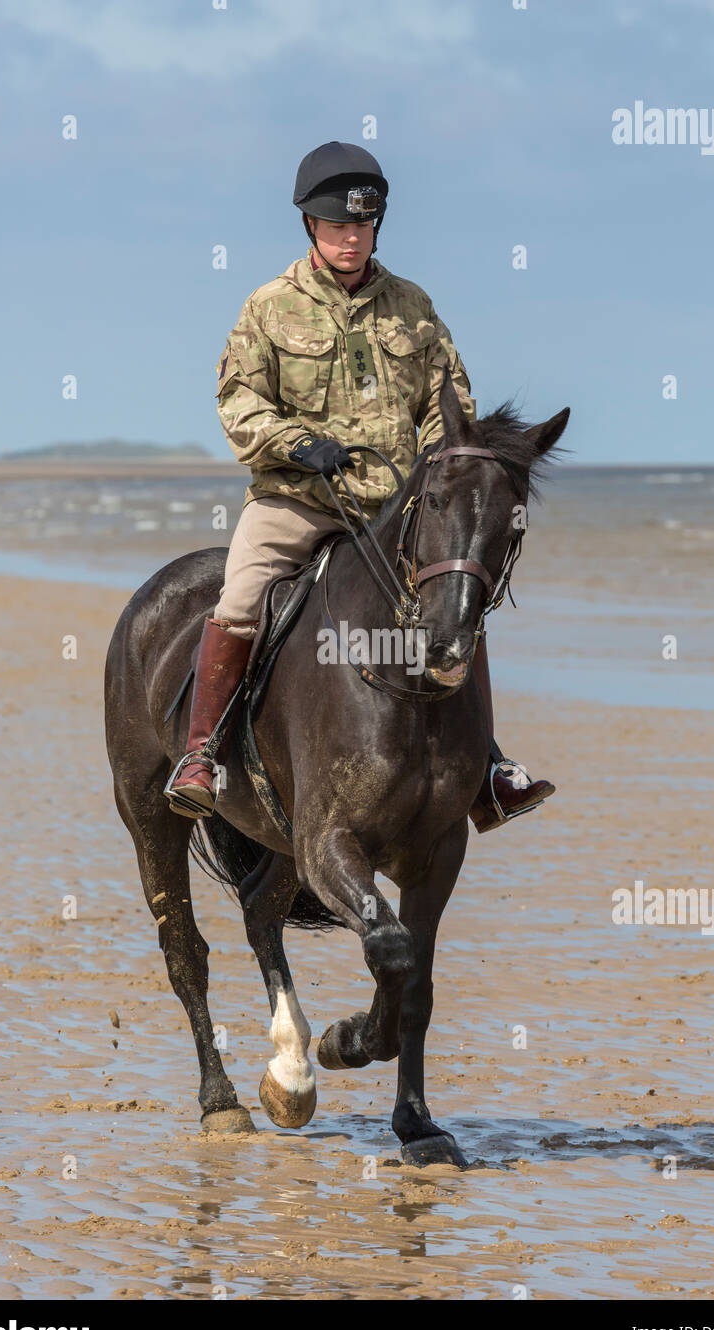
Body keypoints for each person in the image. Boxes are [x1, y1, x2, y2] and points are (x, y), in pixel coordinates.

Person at [165, 141, 554, 833]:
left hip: (397, 508)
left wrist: (444, 468)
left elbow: (448, 405)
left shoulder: (413, 305)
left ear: (378, 226)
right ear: (310, 227)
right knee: (241, 594)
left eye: (364, 226)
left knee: (457, 590)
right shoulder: (269, 307)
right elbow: (238, 404)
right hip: (299, 501)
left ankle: (486, 768)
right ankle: (201, 757)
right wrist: (296, 443)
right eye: (338, 226)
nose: (352, 237)